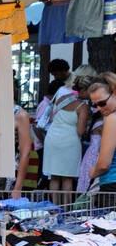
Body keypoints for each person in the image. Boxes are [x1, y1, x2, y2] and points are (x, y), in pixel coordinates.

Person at [42, 66, 82, 204]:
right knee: (67, 178)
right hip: (70, 139)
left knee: (54, 177)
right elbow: (81, 131)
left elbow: (51, 119)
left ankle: (55, 206)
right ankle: (66, 208)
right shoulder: (81, 105)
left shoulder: (59, 95)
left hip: (53, 137)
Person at [87, 73, 116, 204]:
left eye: (102, 103)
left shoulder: (112, 118)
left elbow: (104, 164)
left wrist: (93, 172)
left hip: (111, 187)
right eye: (94, 105)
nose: (99, 108)